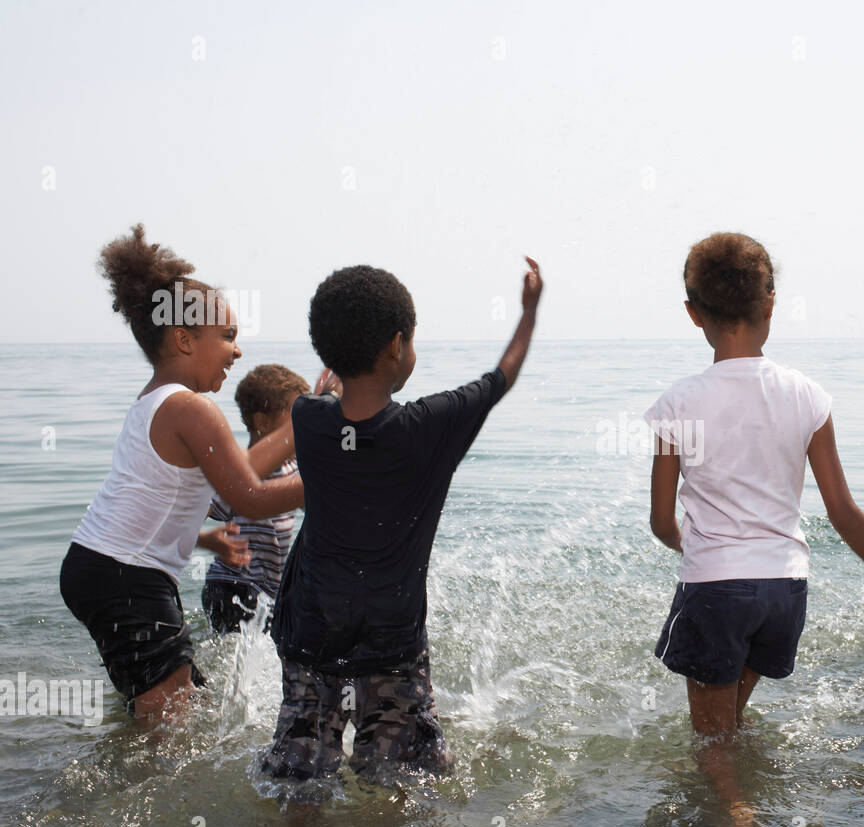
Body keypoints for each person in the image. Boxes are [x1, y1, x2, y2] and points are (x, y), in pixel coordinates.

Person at [647, 232, 864, 827]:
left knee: (710, 741)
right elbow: (842, 510)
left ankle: (736, 813)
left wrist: (688, 546)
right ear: (770, 303)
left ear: (693, 313)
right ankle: (746, 798)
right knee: (734, 716)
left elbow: (661, 521)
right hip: (785, 588)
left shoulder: (678, 405)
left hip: (717, 588)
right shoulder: (807, 396)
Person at [261, 257, 543, 782]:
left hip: (310, 630)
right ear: (396, 346)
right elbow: (501, 376)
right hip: (389, 644)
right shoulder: (431, 427)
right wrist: (528, 311)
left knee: (299, 773)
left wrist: (328, 392)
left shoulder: (308, 415)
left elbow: (326, 403)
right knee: (401, 783)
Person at [60, 225, 304, 722]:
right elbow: (252, 495)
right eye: (229, 336)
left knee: (185, 701)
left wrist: (205, 538)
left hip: (104, 569)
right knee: (167, 727)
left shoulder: (157, 401)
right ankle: (117, 797)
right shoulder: (193, 409)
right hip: (127, 577)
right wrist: (330, 479)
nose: (238, 351)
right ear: (185, 339)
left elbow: (233, 476)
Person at [196, 364, 311, 633]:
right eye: (296, 417)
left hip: (268, 591)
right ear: (262, 422)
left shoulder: (294, 468)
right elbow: (187, 516)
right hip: (230, 586)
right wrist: (206, 539)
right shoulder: (236, 473)